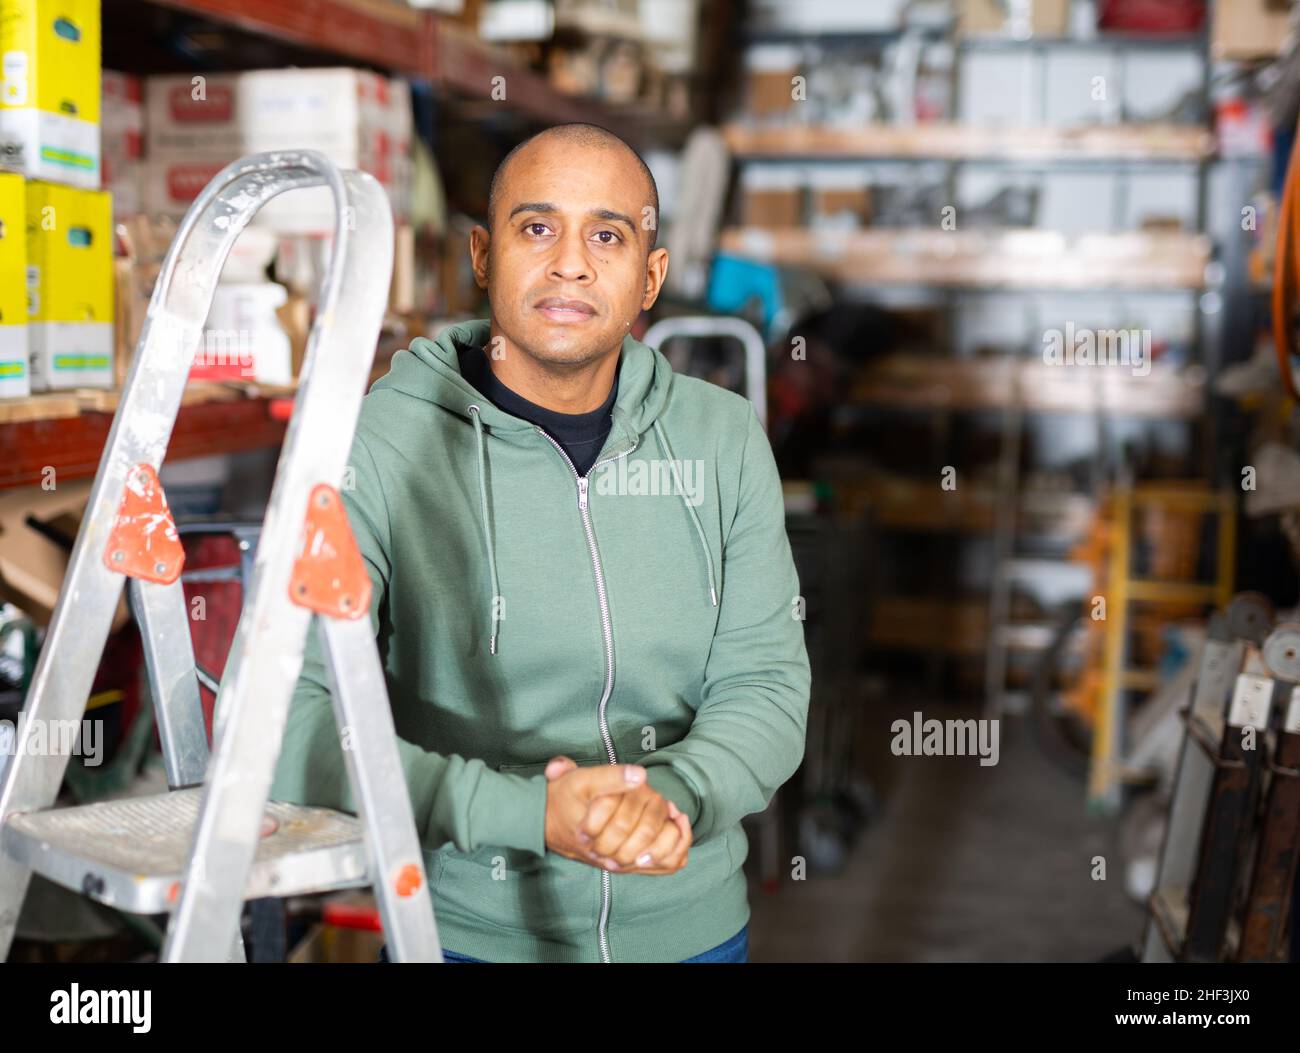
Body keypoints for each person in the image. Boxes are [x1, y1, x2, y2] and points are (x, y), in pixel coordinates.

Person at [270, 122, 811, 963]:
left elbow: (766, 683)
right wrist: (525, 816)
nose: (571, 263)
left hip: (690, 932)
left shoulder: (724, 437)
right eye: (536, 227)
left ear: (650, 277)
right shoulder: (375, 445)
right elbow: (289, 722)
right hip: (460, 936)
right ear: (482, 256)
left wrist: (665, 799)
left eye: (607, 233)